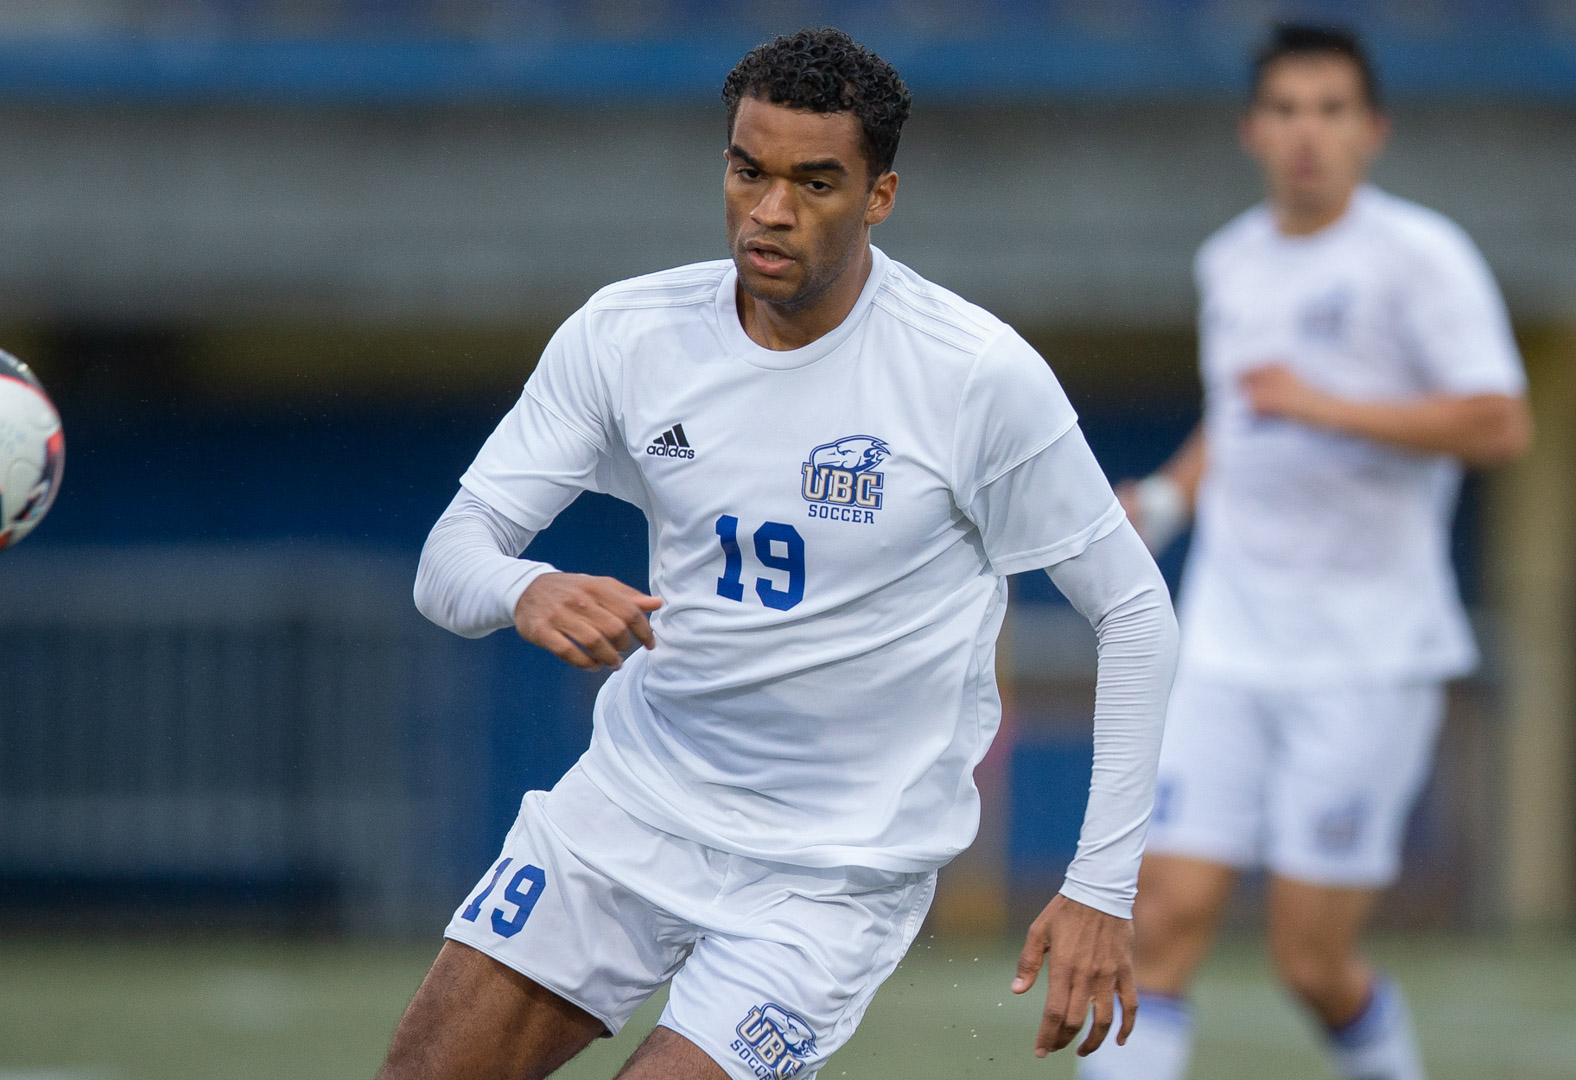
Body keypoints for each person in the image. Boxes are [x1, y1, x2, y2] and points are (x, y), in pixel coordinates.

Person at [387, 28, 1179, 1080]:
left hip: (833, 878)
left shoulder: (973, 376)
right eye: (747, 170)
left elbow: (1135, 613)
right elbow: (451, 557)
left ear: (879, 196)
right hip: (631, 809)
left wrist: (1102, 888)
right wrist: (523, 584)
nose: (769, 209)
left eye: (814, 181)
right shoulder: (626, 336)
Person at [1080, 24, 1532, 1080]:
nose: (1306, 134)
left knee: (1310, 958)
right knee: (1162, 917)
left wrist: (1325, 406)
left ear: (1371, 131)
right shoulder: (1229, 261)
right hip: (1229, 645)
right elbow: (1236, 425)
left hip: (1367, 658)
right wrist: (1156, 502)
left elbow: (1499, 425)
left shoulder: (1420, 257)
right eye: (1285, 109)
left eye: (1330, 110)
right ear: (1252, 128)